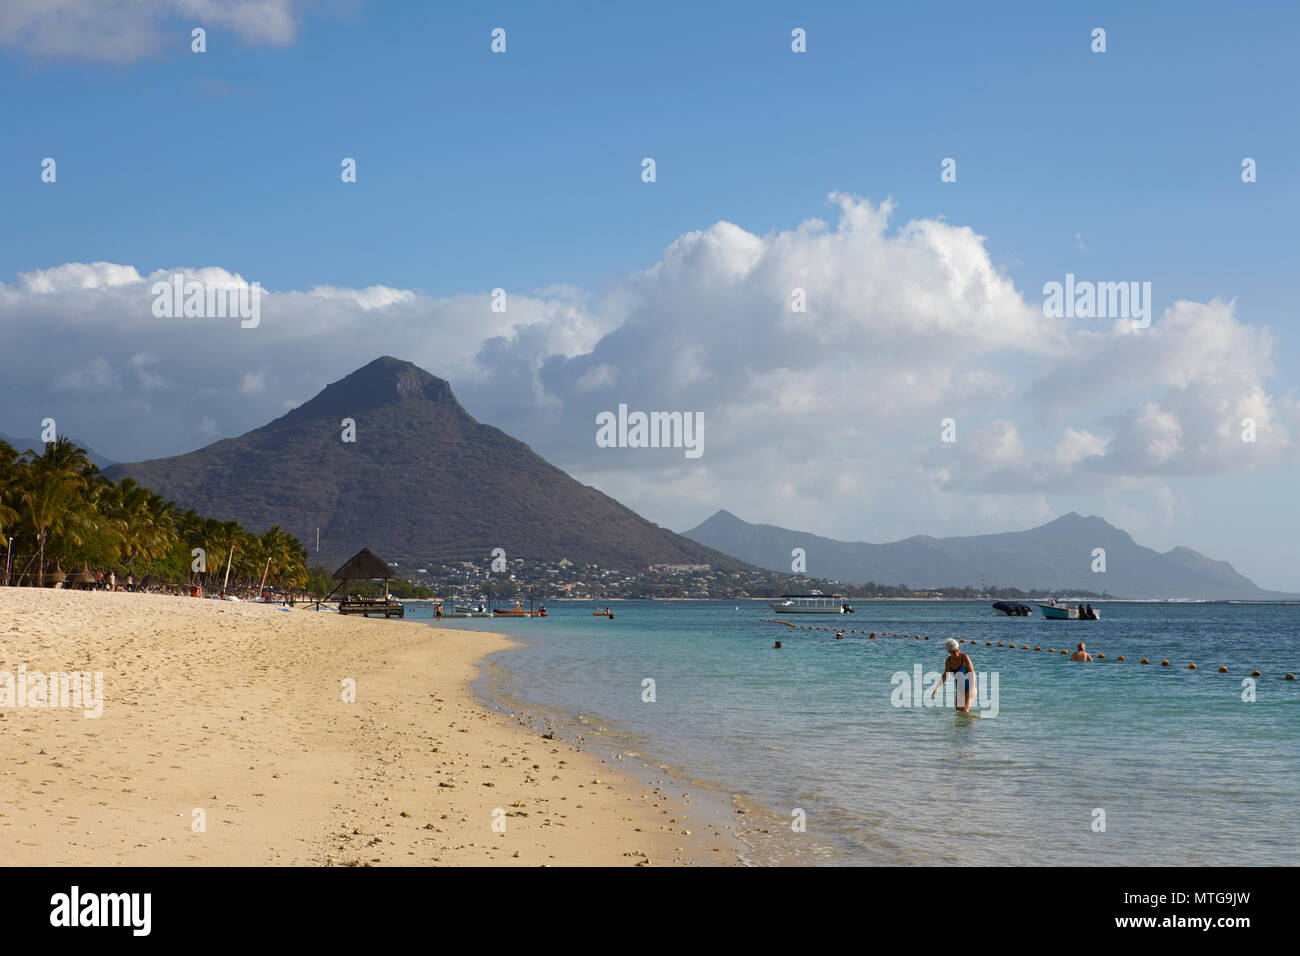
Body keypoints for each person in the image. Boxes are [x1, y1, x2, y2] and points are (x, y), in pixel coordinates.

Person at [933, 637, 977, 712]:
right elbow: (945, 676)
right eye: (954, 651)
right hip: (960, 690)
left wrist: (972, 687)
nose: (957, 653)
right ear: (949, 652)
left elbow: (972, 672)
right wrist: (936, 689)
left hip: (970, 688)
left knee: (963, 710)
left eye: (957, 650)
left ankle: (970, 723)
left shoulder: (964, 658)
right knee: (958, 712)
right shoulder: (948, 661)